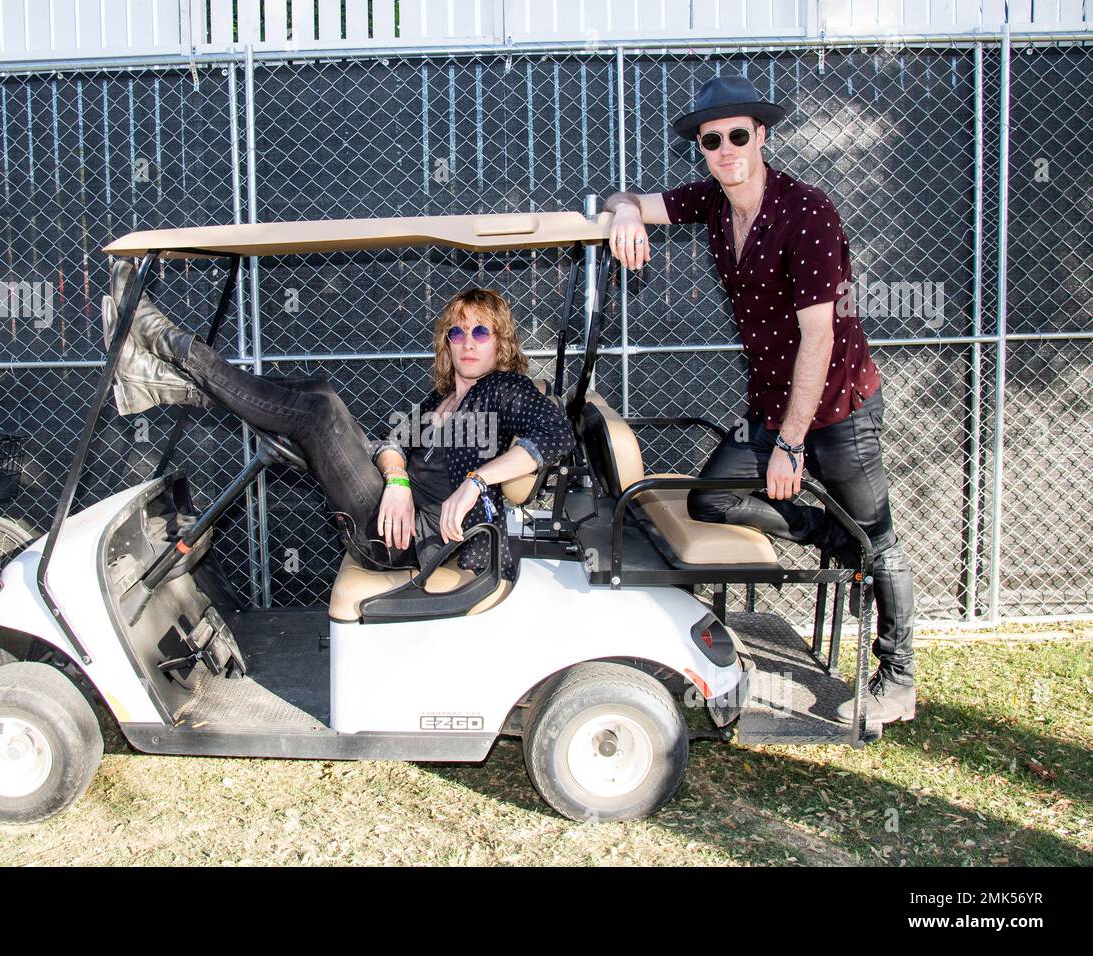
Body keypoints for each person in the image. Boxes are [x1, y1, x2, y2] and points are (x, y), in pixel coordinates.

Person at [603, 75, 916, 726]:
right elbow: (627, 197)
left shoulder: (806, 212)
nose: (726, 149)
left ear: (762, 137)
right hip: (771, 403)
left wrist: (792, 446)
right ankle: (832, 536)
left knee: (881, 542)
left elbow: (819, 336)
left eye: (738, 135)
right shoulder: (714, 204)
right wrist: (627, 212)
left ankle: (898, 677)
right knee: (710, 499)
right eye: (712, 140)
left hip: (837, 406)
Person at [104, 264, 574, 582]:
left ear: (499, 342)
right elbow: (392, 444)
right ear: (446, 343)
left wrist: (475, 481)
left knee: (321, 412)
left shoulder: (505, 388)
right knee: (320, 392)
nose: (467, 343)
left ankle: (165, 343)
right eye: (457, 331)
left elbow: (557, 434)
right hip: (390, 506)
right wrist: (398, 481)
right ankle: (156, 380)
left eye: (480, 332)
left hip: (407, 542)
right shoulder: (444, 397)